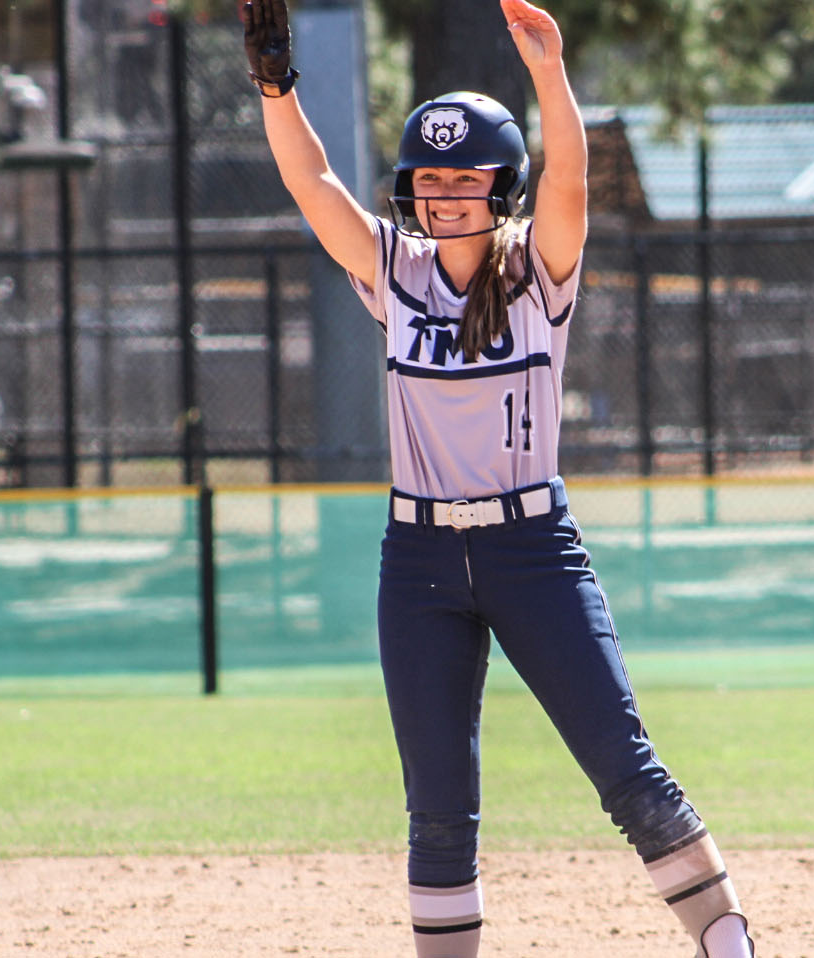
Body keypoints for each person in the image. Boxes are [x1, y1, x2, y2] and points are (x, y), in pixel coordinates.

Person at [239, 1, 758, 955]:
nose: (438, 192)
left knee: (622, 765)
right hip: (421, 557)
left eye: (459, 176)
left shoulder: (536, 272)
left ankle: (725, 941)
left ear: (499, 187)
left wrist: (550, 73)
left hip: (531, 550)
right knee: (437, 805)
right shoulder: (394, 273)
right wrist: (277, 88)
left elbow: (572, 175)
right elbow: (311, 181)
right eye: (424, 176)